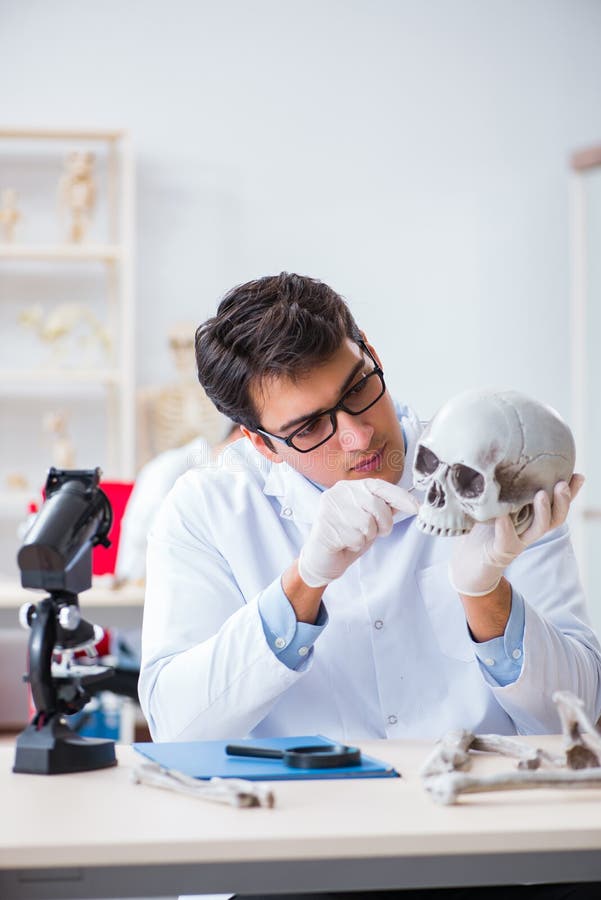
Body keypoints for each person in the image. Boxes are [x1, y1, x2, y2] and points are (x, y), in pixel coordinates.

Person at [139, 272, 601, 900]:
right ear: (260, 443)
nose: (358, 436)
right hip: (303, 862)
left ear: (372, 354)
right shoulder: (206, 510)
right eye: (308, 429)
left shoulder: (491, 466)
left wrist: (485, 591)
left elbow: (578, 712)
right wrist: (305, 581)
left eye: (357, 389)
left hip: (498, 851)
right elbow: (179, 728)